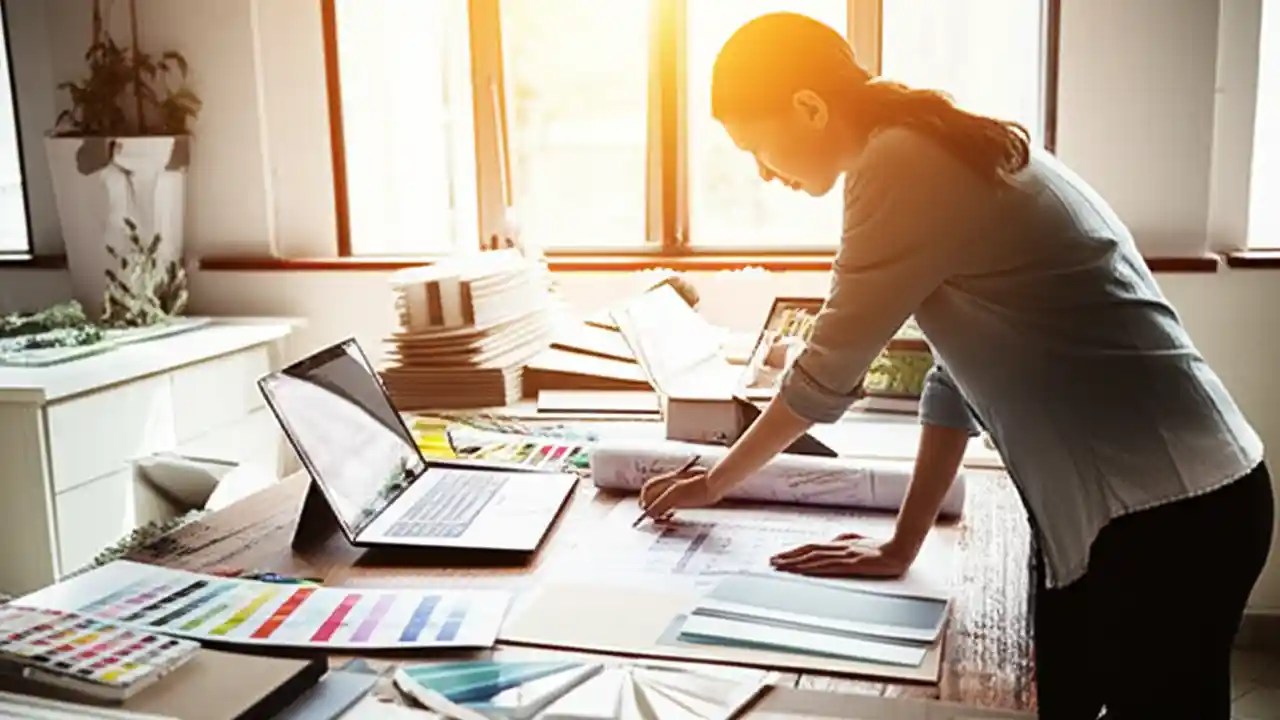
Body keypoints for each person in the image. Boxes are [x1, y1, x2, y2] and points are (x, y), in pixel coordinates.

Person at [636, 12, 1273, 720]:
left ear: (809, 107)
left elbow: (824, 376)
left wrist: (716, 482)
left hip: (1171, 517)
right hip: (1157, 509)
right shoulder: (928, 143)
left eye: (758, 147)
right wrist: (902, 542)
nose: (763, 172)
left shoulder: (900, 163)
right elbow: (954, 378)